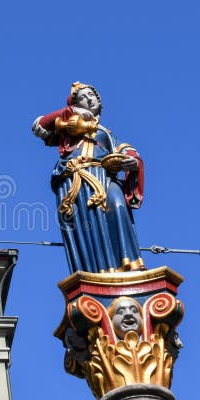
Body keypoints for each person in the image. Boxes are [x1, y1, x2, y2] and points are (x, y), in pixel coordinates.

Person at [32, 82, 145, 273]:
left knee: (117, 205)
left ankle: (128, 264)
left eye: (92, 95)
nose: (89, 98)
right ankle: (92, 270)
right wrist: (69, 111)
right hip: (73, 178)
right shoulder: (68, 129)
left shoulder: (105, 133)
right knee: (82, 224)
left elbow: (126, 150)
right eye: (83, 97)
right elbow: (39, 125)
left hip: (102, 176)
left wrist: (132, 161)